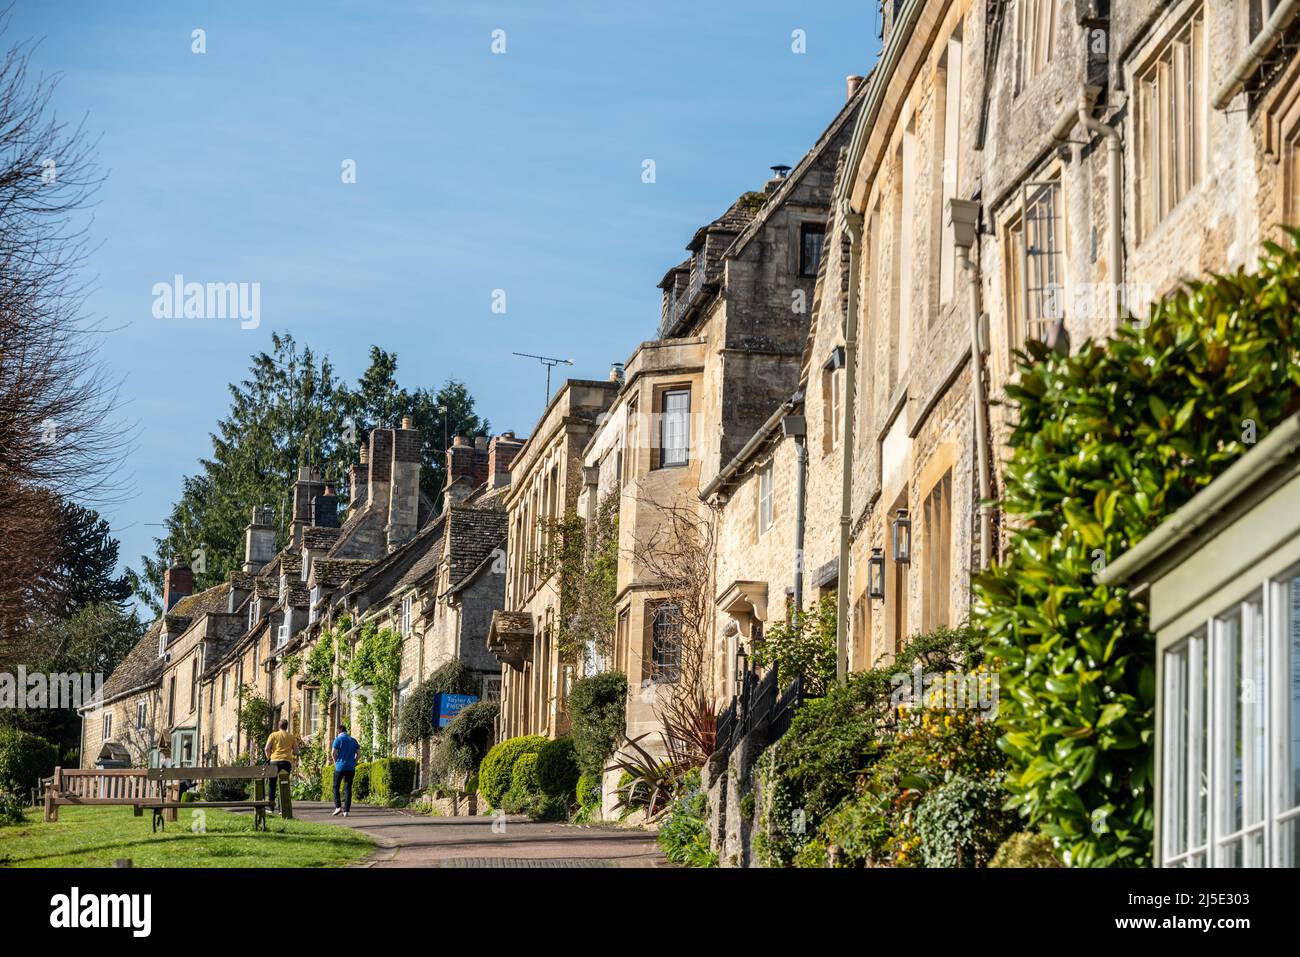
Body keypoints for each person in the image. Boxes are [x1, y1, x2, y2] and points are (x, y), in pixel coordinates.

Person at [263, 719, 300, 813]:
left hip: (274, 761)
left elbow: (267, 748)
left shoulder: (273, 735)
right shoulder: (291, 737)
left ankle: (271, 808)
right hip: (286, 762)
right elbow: (296, 751)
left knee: (272, 784)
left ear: (279, 726)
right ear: (287, 726)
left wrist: (268, 758)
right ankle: (282, 809)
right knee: (284, 784)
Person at [331, 724, 361, 817]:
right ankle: (346, 811)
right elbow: (359, 753)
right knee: (348, 788)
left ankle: (338, 806)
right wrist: (354, 762)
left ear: (338, 731)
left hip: (340, 767)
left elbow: (333, 753)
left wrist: (336, 762)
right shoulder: (353, 740)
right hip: (350, 767)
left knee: (336, 786)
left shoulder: (338, 739)